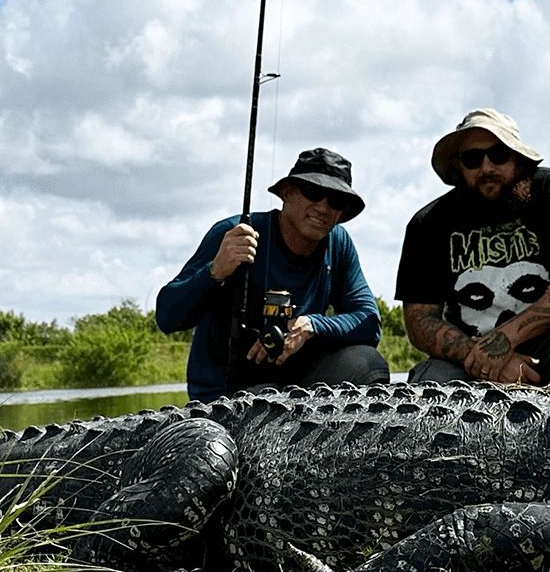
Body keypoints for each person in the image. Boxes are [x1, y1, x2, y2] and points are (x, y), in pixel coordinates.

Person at [394, 108, 550, 397]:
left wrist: (505, 339)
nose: (487, 167)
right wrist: (484, 357)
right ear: (458, 166)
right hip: (468, 358)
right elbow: (419, 322)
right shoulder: (427, 224)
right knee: (428, 387)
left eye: (499, 154)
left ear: (517, 158)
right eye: (472, 158)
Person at [156, 147, 390, 402]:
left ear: (342, 212)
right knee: (263, 398)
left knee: (368, 362)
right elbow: (167, 317)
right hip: (226, 395)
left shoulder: (339, 243)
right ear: (286, 193)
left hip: (298, 385)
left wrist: (312, 326)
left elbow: (369, 321)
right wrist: (215, 272)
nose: (323, 207)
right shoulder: (235, 234)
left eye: (335, 201)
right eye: (313, 192)